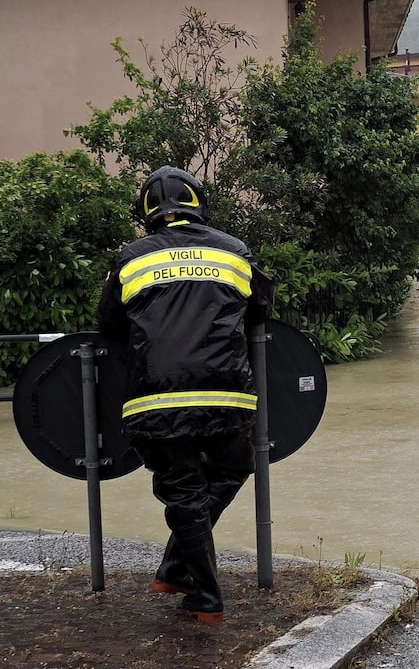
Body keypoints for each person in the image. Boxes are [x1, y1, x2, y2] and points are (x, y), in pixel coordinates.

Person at [97, 166, 273, 624]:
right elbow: (263, 310)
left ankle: (188, 579)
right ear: (198, 203)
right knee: (234, 466)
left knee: (183, 491)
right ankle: (191, 585)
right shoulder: (234, 250)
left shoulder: (131, 258)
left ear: (147, 213)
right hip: (227, 394)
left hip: (153, 399)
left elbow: (109, 327)